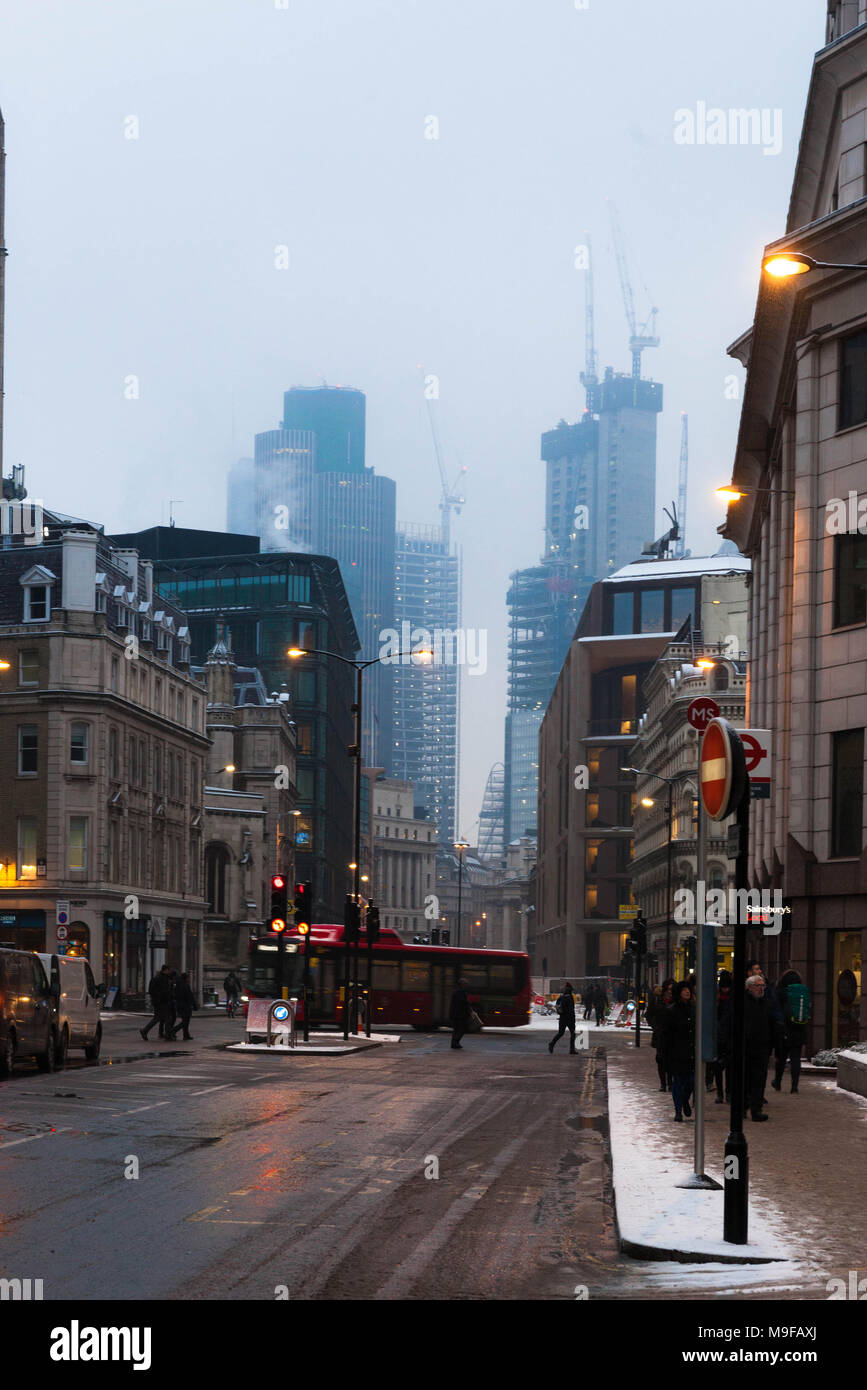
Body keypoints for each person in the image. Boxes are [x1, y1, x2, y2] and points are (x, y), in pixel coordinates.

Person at [744, 975, 780, 1121]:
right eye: (758, 985)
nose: (761, 988)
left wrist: (774, 1044)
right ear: (750, 987)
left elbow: (773, 1024)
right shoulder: (743, 1002)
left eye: (763, 985)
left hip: (762, 1047)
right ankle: (742, 1107)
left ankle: (756, 1109)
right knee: (744, 1079)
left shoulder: (767, 1003)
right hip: (745, 1048)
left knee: (759, 1079)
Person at [772, 969, 807, 1094]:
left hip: (784, 1029)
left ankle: (778, 1082)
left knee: (781, 1058)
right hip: (799, 1028)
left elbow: (775, 1009)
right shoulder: (802, 991)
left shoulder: (780, 992)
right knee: (796, 1058)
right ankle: (794, 1086)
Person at [666, 982, 695, 1122]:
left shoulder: (694, 1008)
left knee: (692, 1080)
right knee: (678, 1081)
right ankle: (678, 1111)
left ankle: (684, 1099)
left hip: (692, 1051)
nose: (687, 992)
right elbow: (667, 1034)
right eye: (684, 990)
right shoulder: (672, 1010)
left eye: (688, 989)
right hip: (677, 1051)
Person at [646, 978, 674, 1090]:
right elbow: (649, 1015)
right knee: (661, 1059)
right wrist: (655, 1027)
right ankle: (663, 1083)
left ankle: (671, 1083)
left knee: (671, 1059)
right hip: (660, 1034)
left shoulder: (676, 1001)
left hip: (672, 1034)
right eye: (669, 989)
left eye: (673, 989)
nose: (670, 991)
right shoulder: (657, 1000)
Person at [710, 971, 733, 1104]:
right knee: (718, 1067)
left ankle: (728, 1092)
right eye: (723, 987)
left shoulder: (730, 1000)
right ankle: (720, 1093)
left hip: (728, 1037)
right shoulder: (716, 1000)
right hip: (718, 1038)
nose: (725, 990)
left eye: (727, 987)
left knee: (729, 1067)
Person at [141, 965, 173, 1041]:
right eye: (169, 970)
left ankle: (145, 1030)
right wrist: (168, 997)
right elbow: (165, 991)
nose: (169, 972)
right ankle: (168, 1035)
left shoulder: (155, 978)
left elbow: (151, 990)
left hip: (157, 1001)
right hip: (163, 1002)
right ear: (166, 970)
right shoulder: (163, 978)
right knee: (168, 1018)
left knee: (157, 1017)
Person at [548, 982, 577, 1054]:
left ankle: (552, 1043)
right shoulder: (570, 997)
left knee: (560, 1033)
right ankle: (572, 1049)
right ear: (570, 990)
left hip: (562, 1017)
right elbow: (571, 1009)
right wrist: (573, 1016)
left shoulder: (561, 997)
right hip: (569, 1018)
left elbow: (557, 1006)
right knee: (573, 1033)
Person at [171, 972, 197, 1041]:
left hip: (180, 1005)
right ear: (186, 978)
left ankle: (186, 1035)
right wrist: (194, 1005)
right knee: (185, 1021)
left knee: (185, 1021)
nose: (189, 979)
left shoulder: (178, 984)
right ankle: (173, 1030)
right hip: (185, 1005)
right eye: (188, 978)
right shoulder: (185, 985)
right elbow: (189, 996)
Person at [449, 977, 472, 1049]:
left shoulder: (459, 992)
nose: (466, 986)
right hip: (459, 1015)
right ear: (461, 984)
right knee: (461, 1029)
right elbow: (462, 1002)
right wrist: (468, 1003)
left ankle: (455, 1043)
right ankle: (455, 1042)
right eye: (465, 984)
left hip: (457, 1014)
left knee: (457, 1029)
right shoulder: (459, 992)